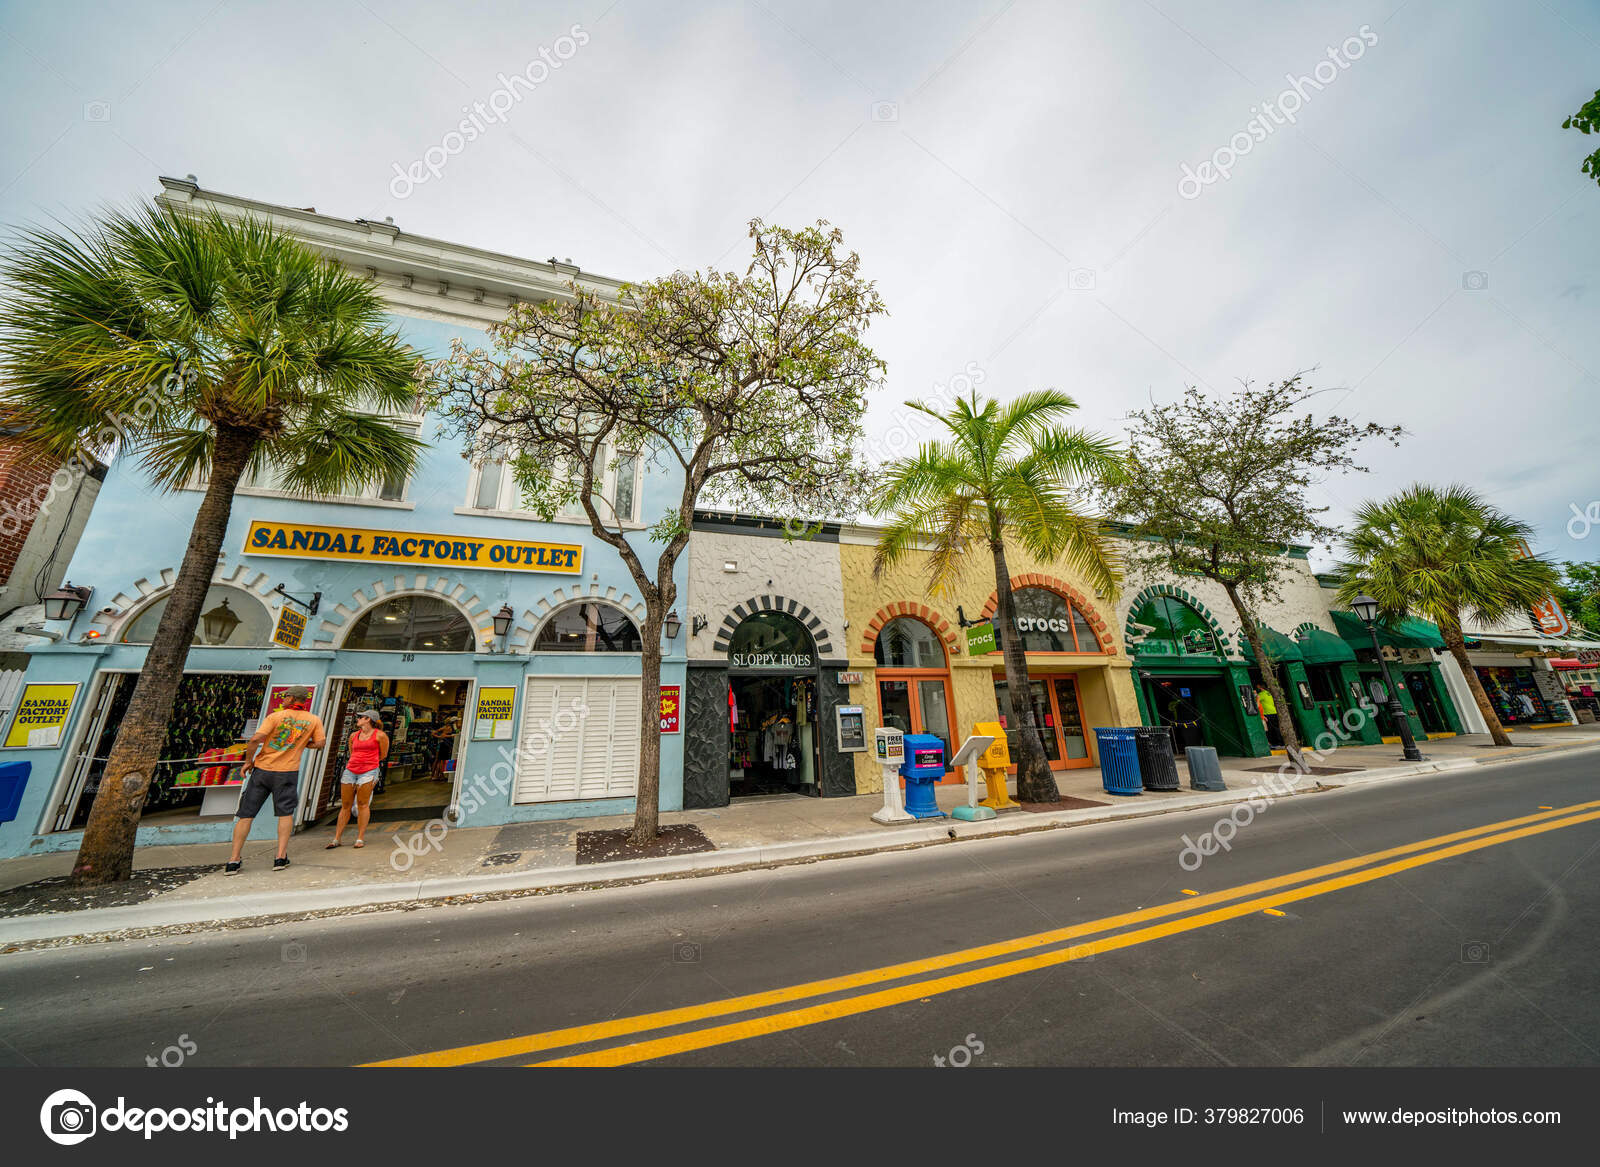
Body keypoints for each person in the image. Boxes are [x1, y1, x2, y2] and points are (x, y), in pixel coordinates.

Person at [225, 686, 325, 874]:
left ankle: (233, 859)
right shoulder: (313, 720)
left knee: (246, 814)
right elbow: (320, 743)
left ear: (293, 698)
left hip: (263, 770)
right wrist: (302, 744)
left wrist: (248, 762)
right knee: (285, 814)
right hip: (287, 772)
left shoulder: (274, 717)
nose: (282, 700)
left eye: (285, 696)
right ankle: (280, 857)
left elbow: (255, 740)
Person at [328, 709, 388, 850]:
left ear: (369, 719)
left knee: (363, 804)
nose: (358, 719)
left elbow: (383, 754)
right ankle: (337, 838)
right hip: (351, 770)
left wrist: (369, 763)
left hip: (369, 771)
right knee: (345, 805)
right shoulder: (354, 735)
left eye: (361, 717)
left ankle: (360, 837)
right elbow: (352, 751)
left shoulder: (380, 735)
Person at [430, 713, 460, 781]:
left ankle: (436, 775)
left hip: (442, 744)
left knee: (439, 760)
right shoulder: (448, 728)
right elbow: (443, 735)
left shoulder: (446, 727)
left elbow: (435, 733)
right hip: (443, 745)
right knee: (441, 761)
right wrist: (451, 736)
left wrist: (439, 737)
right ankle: (439, 775)